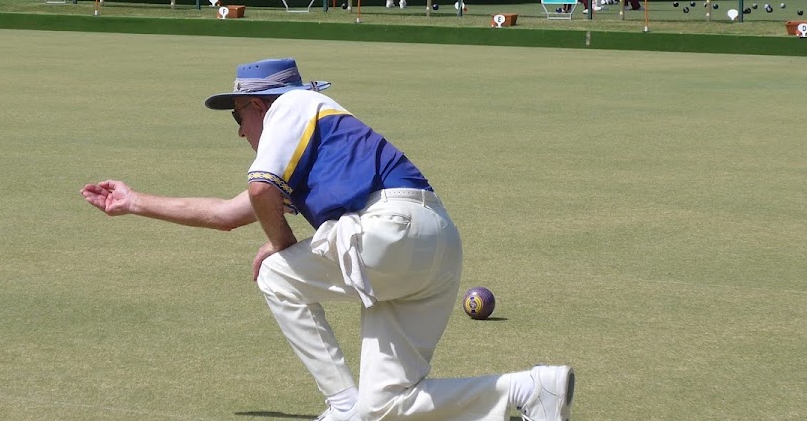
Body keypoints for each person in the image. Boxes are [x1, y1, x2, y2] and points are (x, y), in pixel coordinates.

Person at [80, 58, 576, 421]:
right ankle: (530, 390)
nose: (239, 132)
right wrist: (134, 201)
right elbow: (231, 213)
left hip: (390, 231)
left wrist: (281, 243)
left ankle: (340, 408)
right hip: (433, 244)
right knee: (385, 405)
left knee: (276, 272)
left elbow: (259, 190)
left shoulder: (293, 106)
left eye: (238, 118)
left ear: (259, 105)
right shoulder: (312, 153)